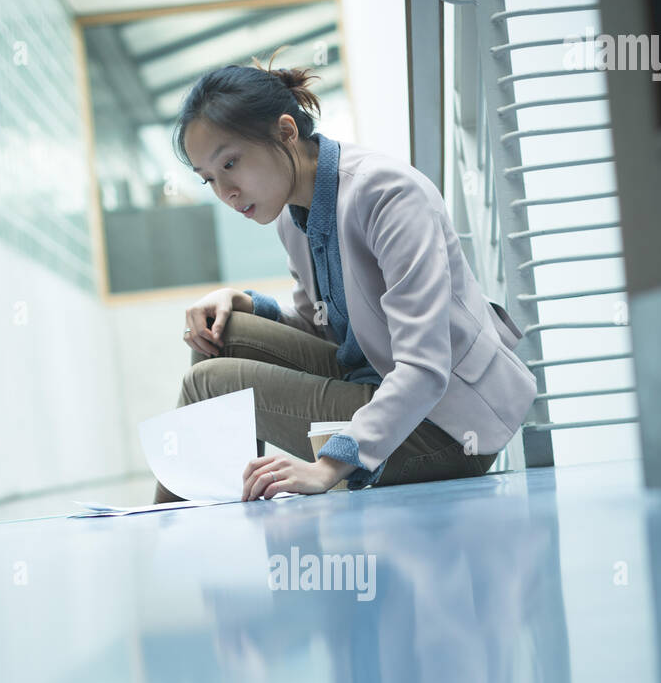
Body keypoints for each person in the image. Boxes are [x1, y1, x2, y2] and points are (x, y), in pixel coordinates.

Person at [152, 51, 538, 504]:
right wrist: (245, 303)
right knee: (225, 331)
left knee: (209, 385)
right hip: (373, 384)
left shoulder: (388, 195)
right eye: (209, 179)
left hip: (442, 426)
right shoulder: (289, 213)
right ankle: (217, 509)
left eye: (231, 164)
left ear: (286, 132)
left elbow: (424, 367)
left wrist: (328, 467)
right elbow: (325, 331)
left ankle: (175, 538)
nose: (225, 192)